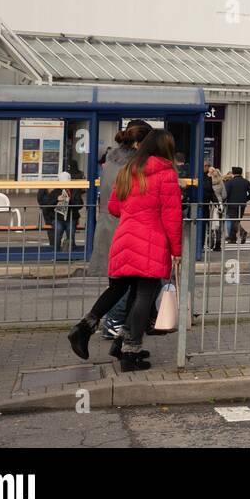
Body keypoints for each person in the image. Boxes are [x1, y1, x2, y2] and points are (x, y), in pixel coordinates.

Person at [67, 129, 183, 371]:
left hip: (125, 238)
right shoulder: (166, 173)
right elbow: (171, 216)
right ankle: (130, 351)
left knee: (119, 287)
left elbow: (114, 207)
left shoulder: (127, 170)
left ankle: (85, 327)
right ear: (164, 149)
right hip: (151, 239)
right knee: (145, 293)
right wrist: (177, 250)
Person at [90, 121, 152, 339]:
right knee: (133, 283)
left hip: (110, 224)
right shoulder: (133, 167)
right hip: (126, 226)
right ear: (138, 143)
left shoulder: (111, 159)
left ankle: (102, 324)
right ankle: (115, 325)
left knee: (120, 282)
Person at [222, 166, 250, 245]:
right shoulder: (245, 182)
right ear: (241, 173)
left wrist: (223, 202)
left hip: (232, 204)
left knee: (234, 221)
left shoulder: (230, 182)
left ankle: (242, 232)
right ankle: (232, 238)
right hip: (242, 204)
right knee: (237, 220)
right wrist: (246, 199)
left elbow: (225, 194)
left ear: (233, 173)